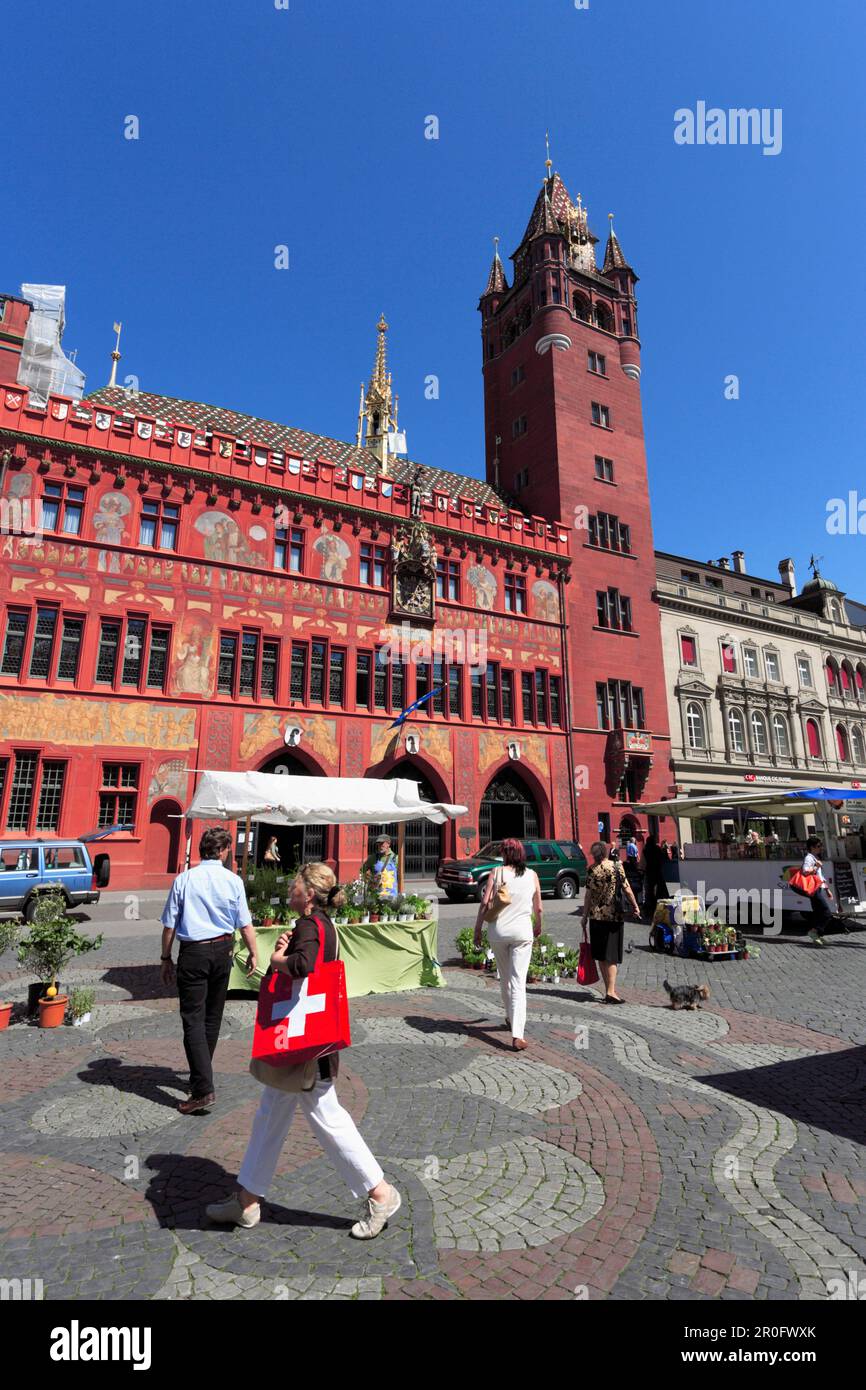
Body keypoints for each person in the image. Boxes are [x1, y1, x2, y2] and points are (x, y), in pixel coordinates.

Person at [205, 863, 401, 1239]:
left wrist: (279, 959)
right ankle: (247, 1200)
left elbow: (304, 965)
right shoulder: (320, 924)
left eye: (295, 884)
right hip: (306, 1039)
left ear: (308, 893)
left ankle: (380, 1193)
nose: (291, 890)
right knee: (271, 1114)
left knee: (328, 1118)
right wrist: (287, 945)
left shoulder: (311, 925)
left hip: (307, 1044)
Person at [160, 827, 258, 1114]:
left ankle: (203, 1088)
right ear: (225, 851)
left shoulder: (185, 880)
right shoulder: (233, 880)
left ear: (203, 850)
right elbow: (245, 923)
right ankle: (202, 1078)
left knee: (192, 1019)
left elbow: (169, 925)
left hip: (194, 952)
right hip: (223, 950)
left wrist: (165, 958)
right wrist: (253, 951)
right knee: (212, 1018)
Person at [474, 837, 541, 1051]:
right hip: (522, 933)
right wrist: (538, 925)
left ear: (503, 854)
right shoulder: (532, 875)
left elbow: (485, 903)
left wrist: (477, 929)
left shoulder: (497, 872)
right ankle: (517, 1034)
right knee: (518, 981)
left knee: (505, 977)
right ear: (522, 855)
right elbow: (538, 908)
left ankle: (509, 1017)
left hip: (498, 932)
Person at [581, 841, 640, 1004]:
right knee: (611, 955)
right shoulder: (616, 867)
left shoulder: (591, 870)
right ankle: (611, 991)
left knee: (601, 954)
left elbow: (587, 895)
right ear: (605, 852)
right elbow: (627, 889)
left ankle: (608, 989)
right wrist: (636, 906)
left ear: (594, 855)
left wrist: (584, 916)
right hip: (613, 916)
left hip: (595, 917)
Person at [802, 836, 850, 945]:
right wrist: (816, 866)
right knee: (826, 913)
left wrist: (827, 889)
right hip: (813, 889)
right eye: (818, 846)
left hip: (817, 888)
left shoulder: (815, 857)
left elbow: (820, 876)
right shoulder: (809, 858)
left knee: (818, 913)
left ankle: (818, 935)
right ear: (812, 847)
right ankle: (814, 931)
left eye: (821, 846)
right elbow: (805, 871)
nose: (821, 848)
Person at [363, 835, 399, 901]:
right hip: (376, 895)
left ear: (388, 844)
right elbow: (363, 870)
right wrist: (369, 878)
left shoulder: (396, 858)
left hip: (391, 895)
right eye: (378, 844)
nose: (380, 846)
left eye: (382, 844)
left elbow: (400, 877)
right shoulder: (373, 858)